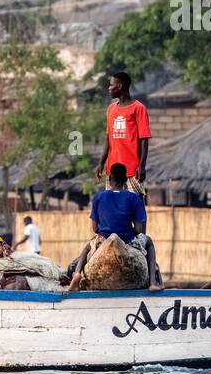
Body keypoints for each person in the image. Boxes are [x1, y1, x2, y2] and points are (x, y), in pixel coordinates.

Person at [68, 163, 161, 292]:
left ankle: (77, 274)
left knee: (87, 248)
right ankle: (152, 282)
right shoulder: (134, 198)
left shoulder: (98, 197)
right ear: (125, 180)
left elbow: (95, 228)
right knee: (149, 242)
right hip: (127, 240)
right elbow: (140, 231)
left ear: (110, 178)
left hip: (103, 239)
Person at [94, 71, 151, 200]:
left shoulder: (138, 108)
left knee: (136, 208)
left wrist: (142, 166)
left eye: (111, 85)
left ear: (119, 86)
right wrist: (101, 163)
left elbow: (144, 139)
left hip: (132, 170)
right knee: (113, 209)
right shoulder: (111, 109)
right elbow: (108, 138)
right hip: (113, 172)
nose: (109, 88)